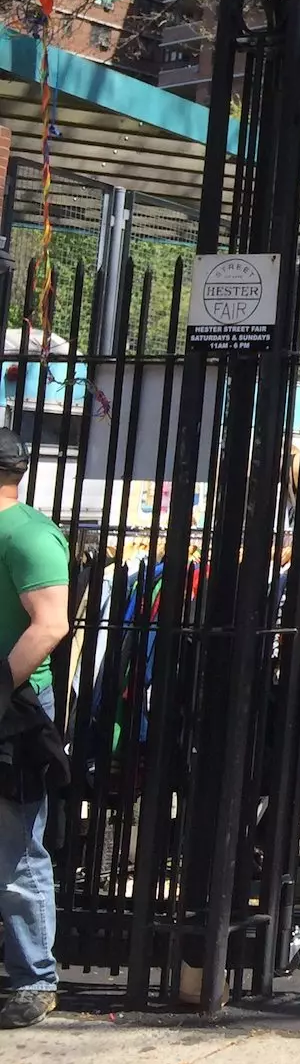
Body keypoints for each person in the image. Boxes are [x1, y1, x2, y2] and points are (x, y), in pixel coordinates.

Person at [0, 428, 71, 1029]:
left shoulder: (27, 534)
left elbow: (50, 624)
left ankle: (33, 977)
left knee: (18, 840)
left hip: (16, 703)